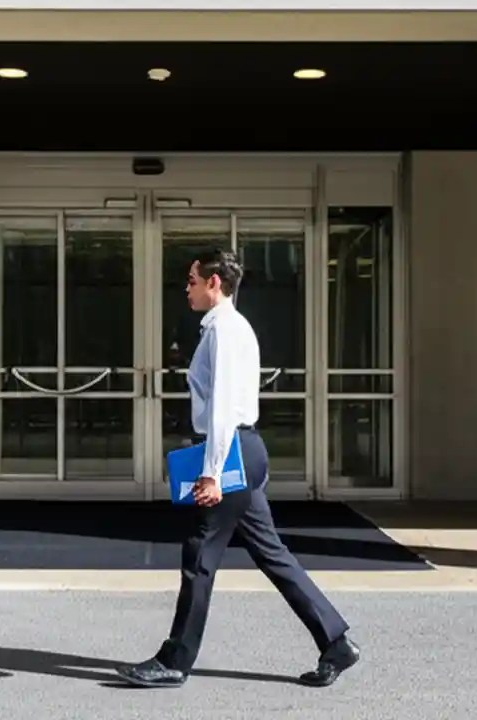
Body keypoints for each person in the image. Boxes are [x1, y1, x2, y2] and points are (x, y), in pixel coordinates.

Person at [116, 250, 360, 689]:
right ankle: (336, 642)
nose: (186, 289)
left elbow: (223, 407)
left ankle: (175, 660)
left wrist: (212, 472)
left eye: (192, 281)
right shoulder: (226, 327)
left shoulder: (224, 330)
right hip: (243, 449)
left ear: (214, 283)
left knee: (200, 553)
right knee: (271, 553)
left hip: (232, 451)